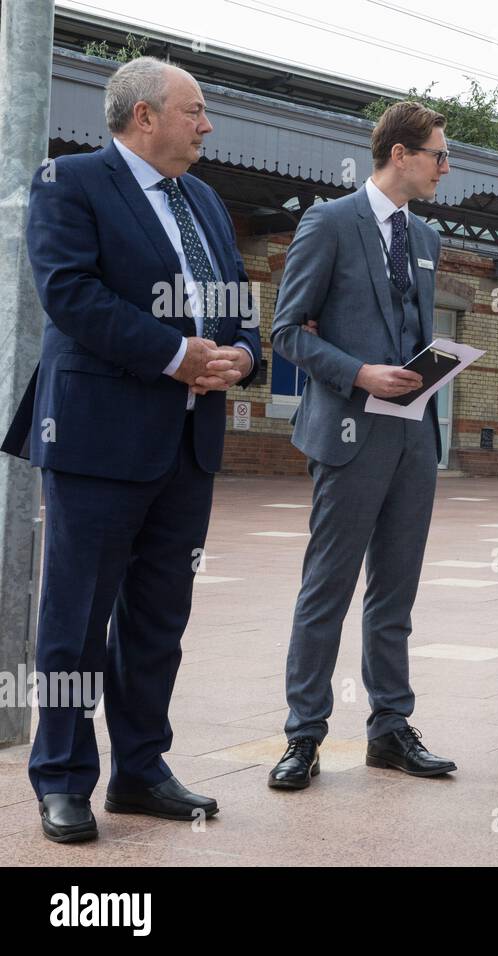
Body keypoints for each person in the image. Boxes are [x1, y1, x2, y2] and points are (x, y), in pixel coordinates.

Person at [2, 57, 261, 842]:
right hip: (99, 438)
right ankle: (63, 778)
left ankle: (141, 770)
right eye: (195, 111)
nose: (206, 126)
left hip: (187, 442)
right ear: (143, 115)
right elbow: (71, 293)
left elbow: (238, 305)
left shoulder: (207, 201)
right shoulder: (69, 182)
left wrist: (243, 354)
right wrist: (175, 354)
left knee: (157, 619)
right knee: (75, 619)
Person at [267, 101, 455, 789]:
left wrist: (432, 367)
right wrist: (358, 372)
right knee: (327, 590)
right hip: (348, 435)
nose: (445, 166)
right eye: (438, 154)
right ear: (400, 155)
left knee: (395, 596)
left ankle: (390, 729)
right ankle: (303, 737)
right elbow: (287, 332)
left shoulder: (427, 239)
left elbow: (412, 328)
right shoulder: (330, 222)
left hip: (414, 435)